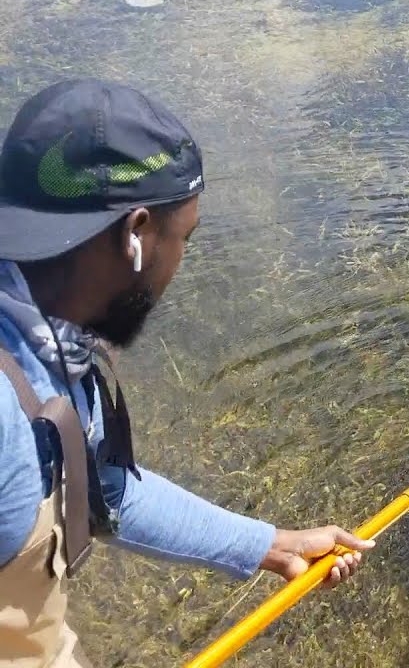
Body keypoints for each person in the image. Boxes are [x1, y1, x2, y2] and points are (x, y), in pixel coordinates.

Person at [0, 78, 375, 667]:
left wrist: (270, 546)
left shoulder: (45, 334)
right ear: (137, 235)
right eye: (186, 238)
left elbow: (105, 489)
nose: (181, 262)